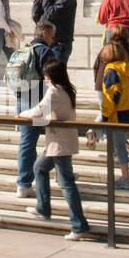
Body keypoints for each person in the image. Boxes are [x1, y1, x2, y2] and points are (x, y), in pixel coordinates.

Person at [19, 59, 90, 239]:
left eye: (45, 74)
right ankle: (43, 207)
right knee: (39, 168)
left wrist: (21, 115)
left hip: (60, 143)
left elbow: (39, 110)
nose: (44, 77)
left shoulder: (55, 91)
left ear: (50, 75)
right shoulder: (66, 89)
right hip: (58, 141)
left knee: (66, 184)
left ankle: (79, 225)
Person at [7, 20, 61, 198]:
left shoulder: (24, 49)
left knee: (29, 143)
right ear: (44, 33)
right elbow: (51, 78)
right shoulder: (45, 51)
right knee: (54, 138)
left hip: (23, 100)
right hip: (39, 103)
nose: (54, 38)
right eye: (52, 34)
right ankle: (25, 182)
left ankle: (26, 181)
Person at [94, 27, 129, 189]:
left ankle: (126, 178)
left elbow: (110, 96)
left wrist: (105, 115)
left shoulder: (112, 70)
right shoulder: (127, 65)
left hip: (118, 113)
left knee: (118, 146)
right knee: (119, 142)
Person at [31, 0, 77, 64]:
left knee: (55, 73)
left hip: (58, 45)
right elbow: (35, 16)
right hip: (44, 43)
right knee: (44, 74)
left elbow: (50, 14)